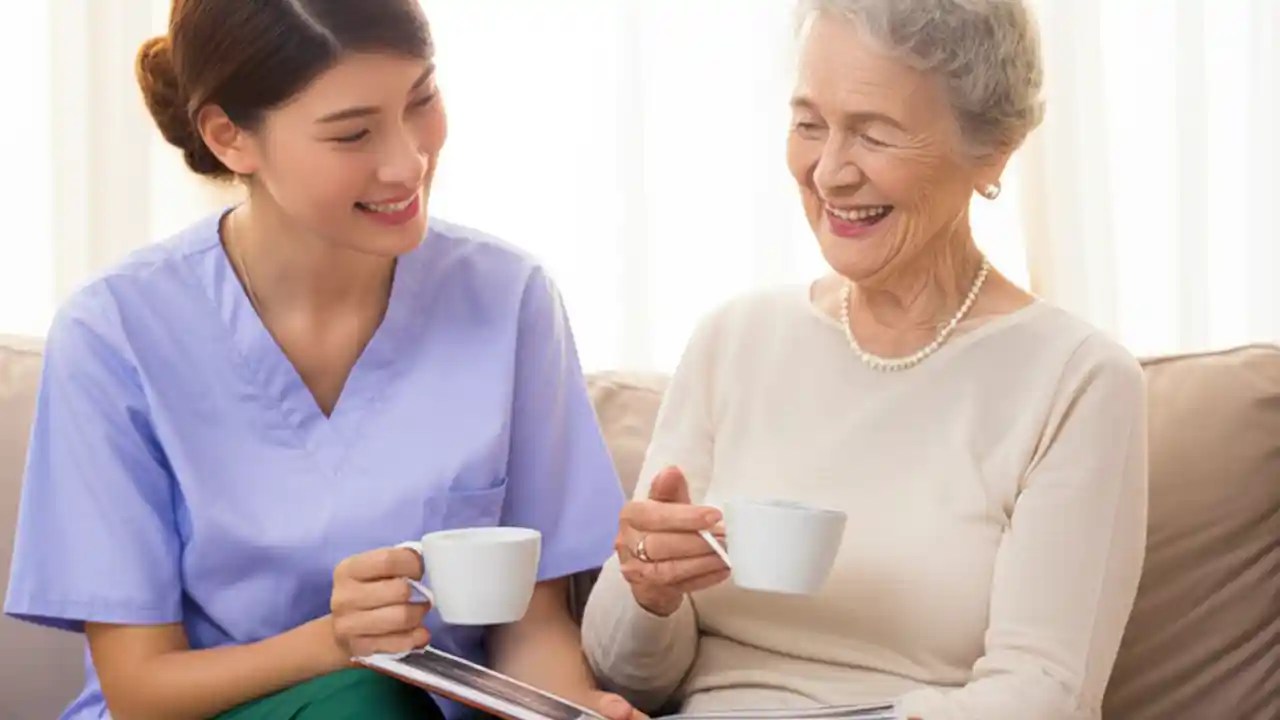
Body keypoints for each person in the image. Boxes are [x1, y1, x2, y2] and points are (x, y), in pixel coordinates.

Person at [3, 2, 643, 719]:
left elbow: (533, 628)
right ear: (229, 137)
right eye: (353, 133)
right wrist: (333, 645)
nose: (408, 160)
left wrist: (569, 710)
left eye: (422, 99)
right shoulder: (116, 332)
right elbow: (140, 690)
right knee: (367, 704)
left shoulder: (508, 300)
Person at [581, 1, 1148, 719]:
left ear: (993, 150)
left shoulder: (1076, 381)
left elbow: (1043, 695)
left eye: (874, 135)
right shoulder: (736, 340)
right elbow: (626, 679)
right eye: (809, 125)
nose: (827, 173)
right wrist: (649, 592)